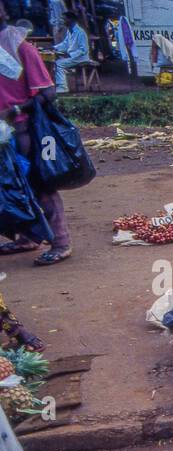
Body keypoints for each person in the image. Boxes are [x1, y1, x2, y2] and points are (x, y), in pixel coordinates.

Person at [0, 8, 71, 265]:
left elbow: (48, 92)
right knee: (13, 188)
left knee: (40, 182)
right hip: (2, 135)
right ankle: (27, 236)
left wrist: (16, 110)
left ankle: (61, 241)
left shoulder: (21, 48)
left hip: (23, 129)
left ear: (4, 12)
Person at [50, 16, 88, 94]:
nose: (63, 21)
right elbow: (65, 44)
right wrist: (54, 48)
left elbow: (83, 49)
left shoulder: (80, 32)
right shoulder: (69, 31)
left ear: (71, 20)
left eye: (64, 19)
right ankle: (60, 83)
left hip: (81, 57)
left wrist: (71, 54)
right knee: (55, 62)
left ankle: (62, 87)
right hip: (73, 57)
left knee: (59, 64)